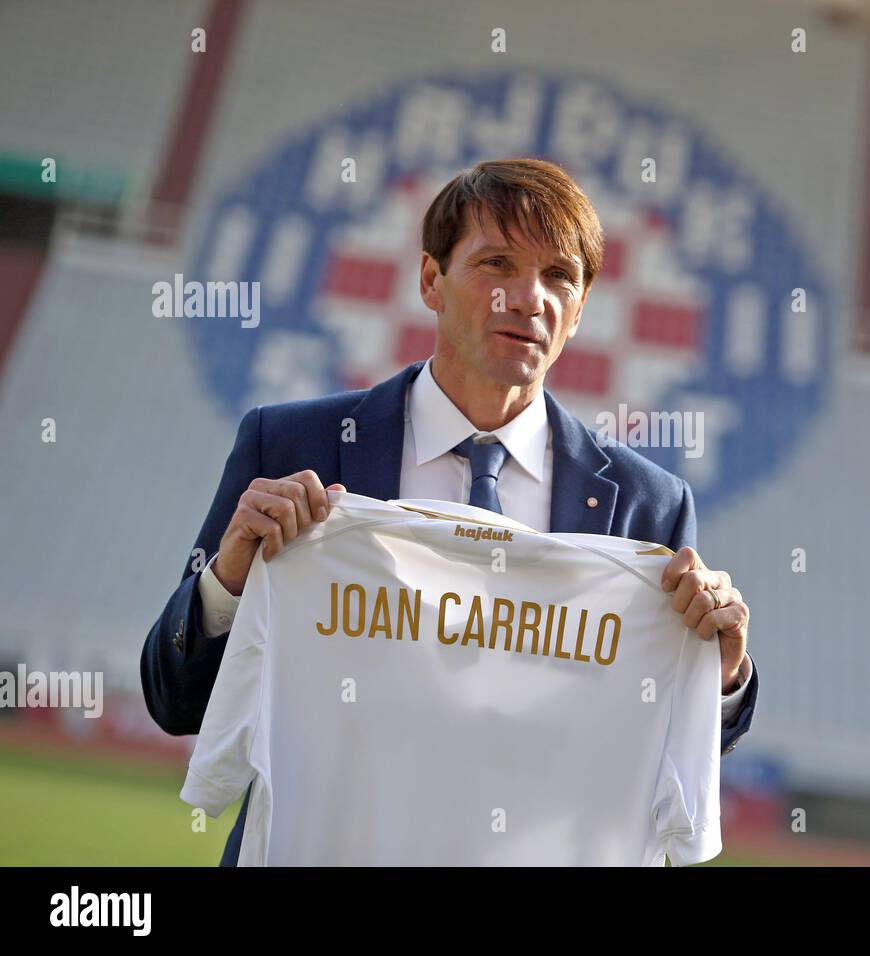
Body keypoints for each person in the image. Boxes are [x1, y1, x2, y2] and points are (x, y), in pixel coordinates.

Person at [141, 157, 758, 865]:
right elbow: (175, 701)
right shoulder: (289, 445)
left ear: (583, 307)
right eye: (497, 264)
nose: (529, 298)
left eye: (560, 276)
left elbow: (665, 749)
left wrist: (723, 676)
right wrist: (227, 585)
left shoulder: (650, 507)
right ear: (431, 280)